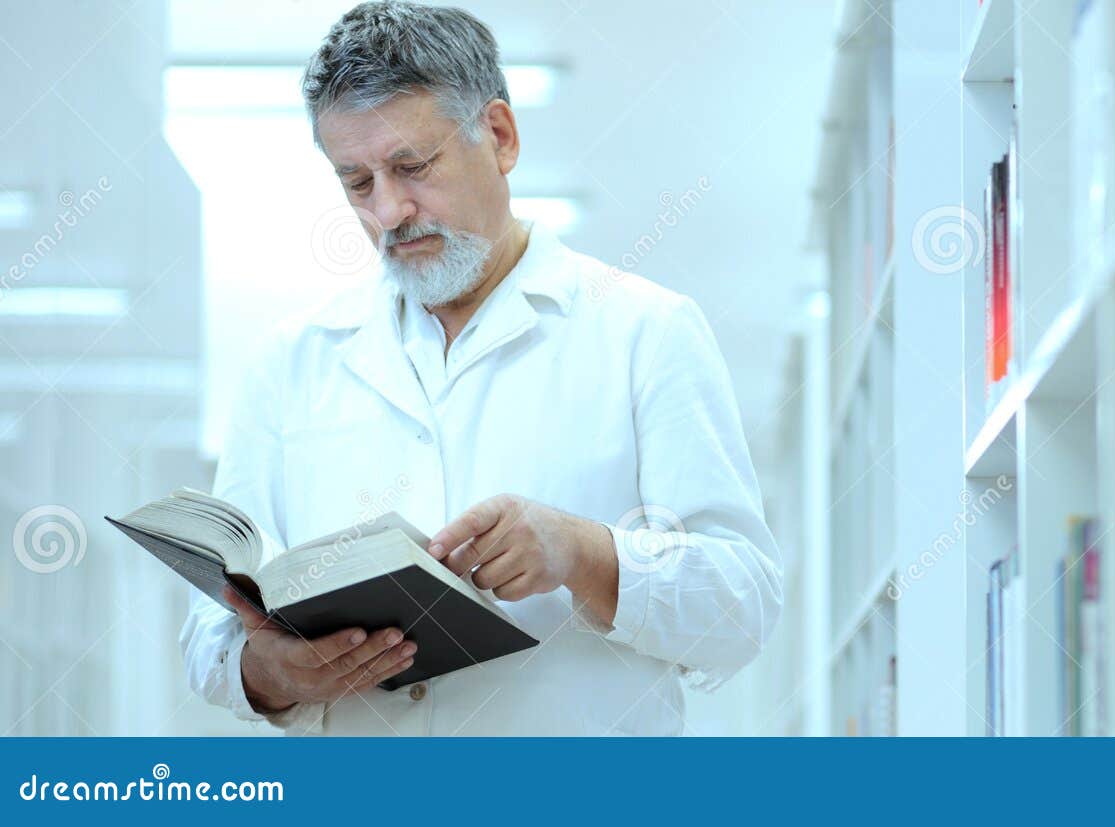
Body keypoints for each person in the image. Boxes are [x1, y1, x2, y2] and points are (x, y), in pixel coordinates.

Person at [178, 0, 781, 736]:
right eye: (357, 182)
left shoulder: (645, 332)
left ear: (498, 136)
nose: (389, 211)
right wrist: (268, 673)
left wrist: (586, 553)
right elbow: (209, 637)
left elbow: (744, 609)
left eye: (412, 166)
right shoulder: (289, 363)